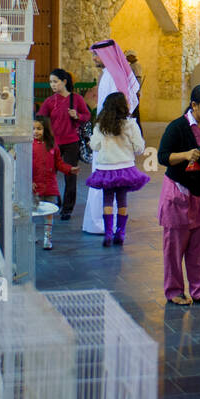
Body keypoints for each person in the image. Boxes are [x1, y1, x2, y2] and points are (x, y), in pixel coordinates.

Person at [157, 85, 200, 306]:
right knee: (174, 246)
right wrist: (185, 155)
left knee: (199, 247)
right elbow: (163, 156)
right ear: (194, 105)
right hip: (178, 192)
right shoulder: (178, 127)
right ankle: (174, 290)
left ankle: (199, 289)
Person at [83, 40, 142, 234]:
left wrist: (100, 129)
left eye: (96, 55)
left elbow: (111, 108)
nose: (94, 59)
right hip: (117, 142)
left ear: (105, 55)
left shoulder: (111, 75)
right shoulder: (112, 73)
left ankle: (100, 225)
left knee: (105, 188)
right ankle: (116, 228)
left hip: (107, 134)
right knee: (119, 194)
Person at [86, 92, 149, 248]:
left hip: (105, 168)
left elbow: (95, 146)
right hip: (125, 167)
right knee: (122, 200)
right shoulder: (131, 124)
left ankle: (108, 233)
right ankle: (120, 233)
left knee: (107, 199)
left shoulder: (100, 125)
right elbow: (139, 148)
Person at [37, 68, 88, 221]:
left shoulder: (76, 99)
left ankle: (67, 209)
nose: (52, 85)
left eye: (55, 81)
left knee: (70, 176)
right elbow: (40, 117)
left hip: (72, 143)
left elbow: (86, 115)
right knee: (50, 174)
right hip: (53, 144)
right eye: (50, 82)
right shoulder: (50, 101)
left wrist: (77, 115)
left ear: (64, 82)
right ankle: (56, 201)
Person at [32, 116, 78, 248]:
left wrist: (69, 169)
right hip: (34, 187)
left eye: (39, 128)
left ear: (46, 130)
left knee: (49, 213)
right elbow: (24, 166)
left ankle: (47, 238)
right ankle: (31, 235)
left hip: (50, 187)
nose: (35, 131)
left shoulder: (53, 146)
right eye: (33, 129)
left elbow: (59, 163)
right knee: (32, 212)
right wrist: (29, 181)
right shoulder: (29, 146)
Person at [125, 50, 144, 124]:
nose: (126, 58)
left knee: (135, 112)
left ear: (132, 56)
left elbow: (138, 78)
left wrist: (137, 91)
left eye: (127, 57)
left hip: (135, 91)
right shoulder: (132, 65)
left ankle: (137, 127)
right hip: (132, 90)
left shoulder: (136, 65)